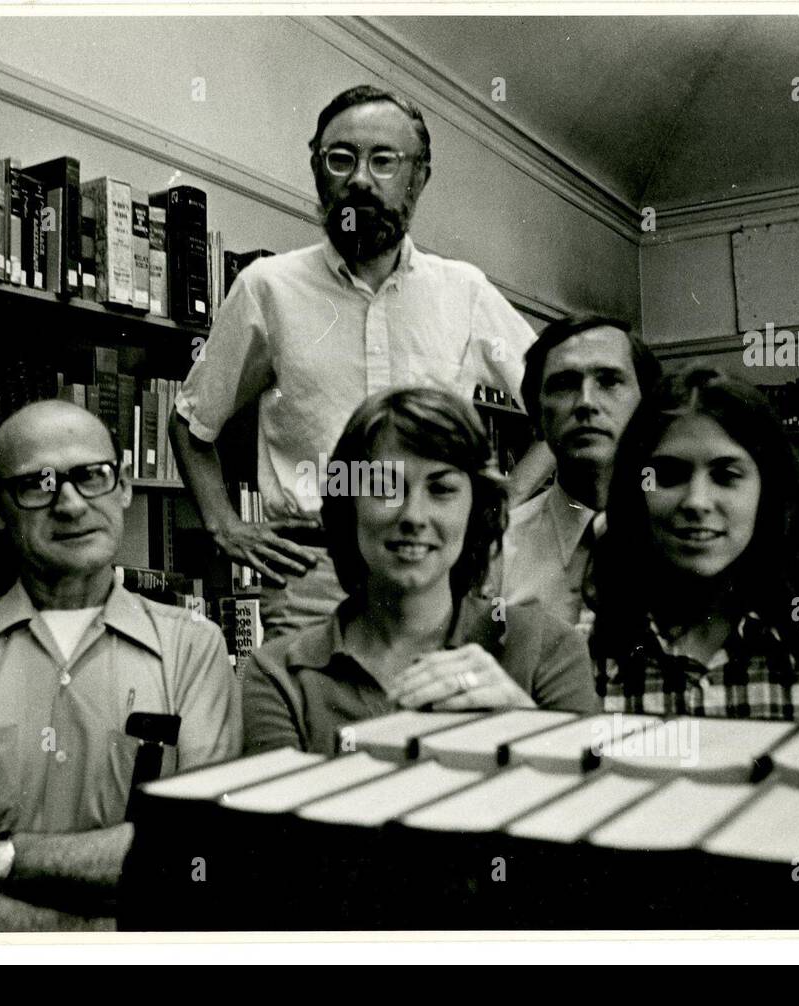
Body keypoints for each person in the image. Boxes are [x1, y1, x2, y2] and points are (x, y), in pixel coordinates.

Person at [171, 84, 556, 639]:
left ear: (418, 177)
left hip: (438, 572)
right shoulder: (266, 288)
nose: (359, 179)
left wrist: (500, 507)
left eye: (383, 161)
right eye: (341, 159)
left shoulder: (464, 292)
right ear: (317, 171)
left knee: (434, 721)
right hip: (312, 579)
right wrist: (225, 527)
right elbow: (191, 423)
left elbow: (557, 414)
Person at [0, 400, 239, 931]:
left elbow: (199, 859)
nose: (72, 504)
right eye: (39, 484)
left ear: (124, 486)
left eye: (93, 476)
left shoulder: (195, 649)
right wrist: (74, 936)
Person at [242, 387, 599, 756]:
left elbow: (595, 803)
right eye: (385, 487)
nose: (413, 515)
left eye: (442, 489)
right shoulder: (279, 675)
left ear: (476, 510)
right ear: (348, 507)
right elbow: (274, 815)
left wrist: (521, 726)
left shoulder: (548, 648)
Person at [587, 365, 799, 719]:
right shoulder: (588, 651)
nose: (697, 502)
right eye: (668, 476)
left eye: (727, 475)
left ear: (769, 492)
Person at [492, 315, 660, 632]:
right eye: (564, 384)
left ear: (647, 406)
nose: (586, 402)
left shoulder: (686, 537)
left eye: (609, 380)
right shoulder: (494, 551)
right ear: (537, 418)